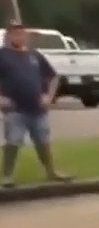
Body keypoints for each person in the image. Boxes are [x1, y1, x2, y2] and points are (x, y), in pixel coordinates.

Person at [0, 21, 71, 187]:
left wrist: (49, 97)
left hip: (37, 108)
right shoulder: (2, 55)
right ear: (8, 36)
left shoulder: (35, 55)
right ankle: (7, 176)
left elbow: (53, 77)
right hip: (14, 109)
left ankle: (51, 172)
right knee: (13, 141)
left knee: (43, 141)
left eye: (21, 32)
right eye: (14, 32)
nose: (18, 35)